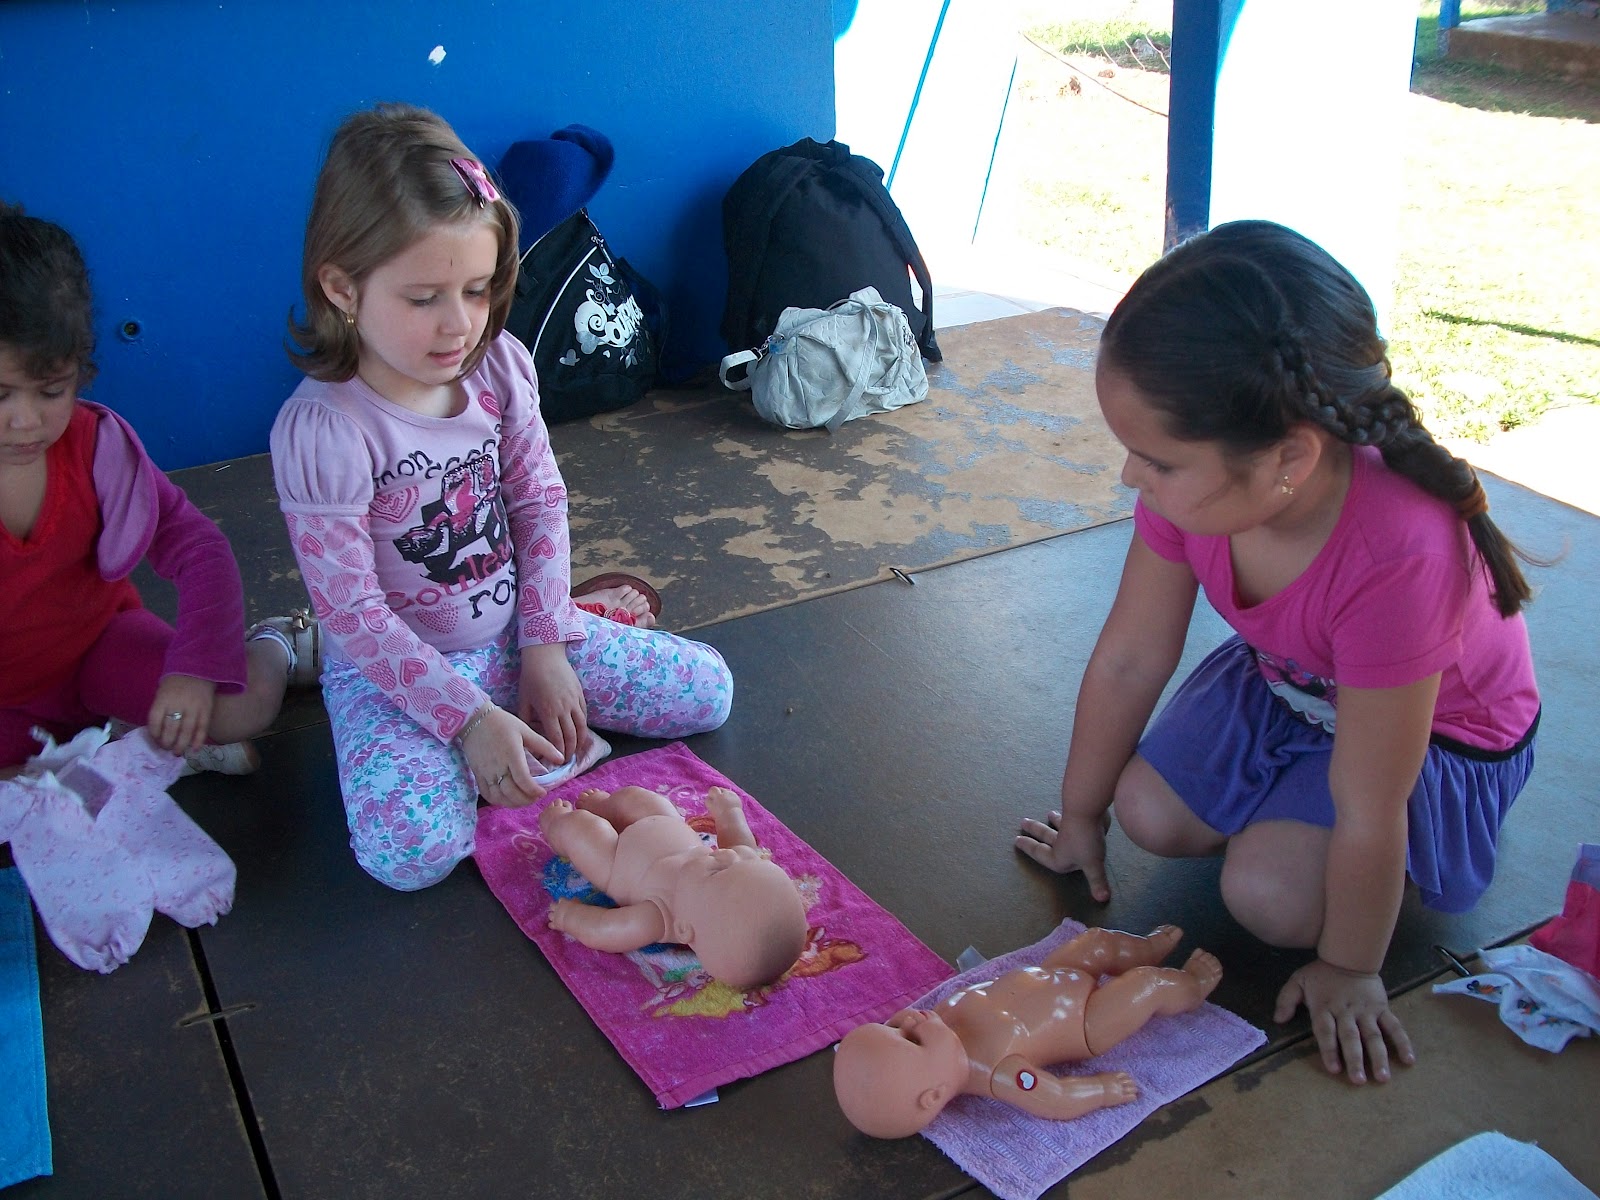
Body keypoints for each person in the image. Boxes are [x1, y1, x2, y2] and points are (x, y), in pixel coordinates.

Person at [1015, 220, 1541, 1087]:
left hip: (1433, 743)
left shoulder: (1399, 553)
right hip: (1296, 687)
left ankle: (1378, 867)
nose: (1129, 479)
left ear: (1289, 458)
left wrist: (1351, 966)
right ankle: (1287, 822)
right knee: (1146, 812)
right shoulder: (1194, 490)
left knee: (1273, 900)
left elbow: (1375, 800)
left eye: (1155, 460)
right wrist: (1081, 816)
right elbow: (1129, 657)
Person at [271, 103, 733, 891]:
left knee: (711, 693)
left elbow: (537, 503)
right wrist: (470, 719)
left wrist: (546, 646)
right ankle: (317, 662)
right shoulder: (323, 430)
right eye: (424, 298)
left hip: (518, 633)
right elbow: (355, 613)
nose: (459, 326)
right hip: (397, 669)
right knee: (410, 856)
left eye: (479, 289)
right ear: (342, 287)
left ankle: (537, 682)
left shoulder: (500, 365)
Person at [0, 203, 315, 781]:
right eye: (1, 395)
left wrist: (194, 671)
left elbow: (199, 549)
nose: (26, 421)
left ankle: (278, 645)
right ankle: (133, 737)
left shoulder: (96, 448)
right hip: (9, 702)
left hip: (99, 648)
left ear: (80, 369)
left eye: (51, 390)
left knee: (239, 710)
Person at [832, 924, 1220, 1138]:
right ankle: (1191, 988)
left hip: (1052, 974)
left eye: (893, 1023)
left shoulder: (942, 1022)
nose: (911, 1019)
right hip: (1086, 1020)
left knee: (1097, 941)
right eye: (910, 1038)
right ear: (933, 1094)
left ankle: (1144, 947)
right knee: (1144, 986)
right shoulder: (1000, 1073)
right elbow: (1054, 1097)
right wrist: (1100, 1089)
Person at [540, 784, 807, 990]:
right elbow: (742, 844)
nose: (728, 855)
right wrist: (729, 813)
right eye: (749, 861)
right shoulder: (733, 870)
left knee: (582, 831)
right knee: (638, 799)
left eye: (717, 870)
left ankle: (556, 827)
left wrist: (571, 918)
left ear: (683, 929)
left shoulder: (656, 917)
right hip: (667, 827)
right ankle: (607, 807)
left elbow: (606, 929)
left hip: (615, 859)